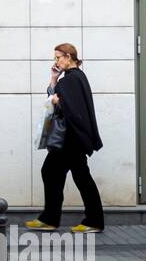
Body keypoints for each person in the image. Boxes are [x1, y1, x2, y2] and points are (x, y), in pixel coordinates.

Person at [27, 43, 106, 233]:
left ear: (68, 56)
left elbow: (65, 107)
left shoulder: (71, 80)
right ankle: (52, 218)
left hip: (71, 139)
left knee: (70, 175)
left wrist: (56, 99)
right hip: (73, 138)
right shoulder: (75, 77)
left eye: (58, 57)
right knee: (58, 173)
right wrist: (54, 80)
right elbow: (69, 104)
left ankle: (89, 221)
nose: (56, 61)